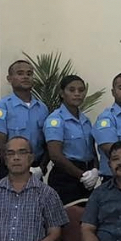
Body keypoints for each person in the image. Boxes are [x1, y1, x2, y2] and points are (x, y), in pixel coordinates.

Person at [0, 59, 49, 181]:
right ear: (9, 79)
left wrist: (41, 168)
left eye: (29, 74)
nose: (25, 77)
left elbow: (47, 143)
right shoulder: (2, 107)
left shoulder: (42, 108)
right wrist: (20, 166)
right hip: (9, 170)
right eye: (20, 73)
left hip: (35, 170)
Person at [44, 74, 98, 204]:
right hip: (66, 177)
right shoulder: (56, 119)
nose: (77, 94)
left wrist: (95, 170)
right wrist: (81, 175)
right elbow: (55, 155)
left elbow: (92, 150)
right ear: (62, 93)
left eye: (81, 90)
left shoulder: (85, 120)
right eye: (72, 90)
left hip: (86, 176)